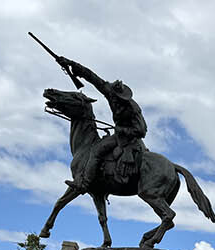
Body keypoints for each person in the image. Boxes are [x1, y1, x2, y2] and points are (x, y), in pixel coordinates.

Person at [55, 56, 148, 191]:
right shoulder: (111, 93)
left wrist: (122, 130)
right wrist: (71, 64)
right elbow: (93, 78)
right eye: (114, 97)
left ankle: (84, 183)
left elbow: (142, 131)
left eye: (118, 99)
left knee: (96, 151)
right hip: (119, 136)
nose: (115, 101)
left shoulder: (133, 109)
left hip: (130, 140)